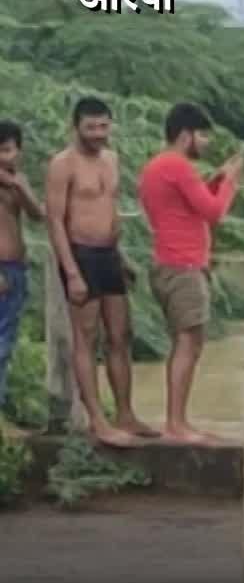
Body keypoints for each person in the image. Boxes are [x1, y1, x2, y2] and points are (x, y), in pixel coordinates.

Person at [45, 97, 156, 446]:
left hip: (109, 254)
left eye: (103, 126)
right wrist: (72, 272)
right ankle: (97, 418)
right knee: (86, 337)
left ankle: (125, 412)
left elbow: (109, 210)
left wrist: (121, 257)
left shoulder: (112, 159)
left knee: (120, 335)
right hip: (80, 254)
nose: (98, 134)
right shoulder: (63, 164)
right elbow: (55, 222)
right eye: (90, 127)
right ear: (75, 126)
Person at [138, 103, 244, 445]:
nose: (206, 143)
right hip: (181, 265)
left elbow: (189, 205)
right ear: (185, 135)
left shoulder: (158, 166)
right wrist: (230, 183)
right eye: (202, 136)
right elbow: (213, 212)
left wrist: (213, 180)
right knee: (188, 342)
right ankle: (176, 423)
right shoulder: (178, 166)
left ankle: (178, 420)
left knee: (188, 341)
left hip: (171, 262)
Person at [0, 121, 43, 416]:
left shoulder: (17, 181)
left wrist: (19, 185)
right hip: (2, 269)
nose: (5, 157)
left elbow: (37, 215)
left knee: (7, 337)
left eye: (8, 150)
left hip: (16, 268)